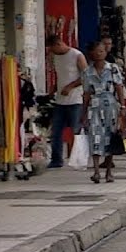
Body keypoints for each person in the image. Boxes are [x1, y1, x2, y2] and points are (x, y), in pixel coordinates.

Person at [80, 41, 126, 184]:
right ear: (91, 54)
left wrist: (122, 106)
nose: (100, 54)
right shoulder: (87, 72)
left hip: (110, 106)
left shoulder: (112, 69)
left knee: (109, 137)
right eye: (97, 51)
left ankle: (108, 171)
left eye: (102, 51)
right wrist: (83, 113)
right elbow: (86, 93)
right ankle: (95, 171)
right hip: (94, 106)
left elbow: (119, 87)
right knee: (95, 136)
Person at [46, 34, 88, 169]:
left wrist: (70, 87)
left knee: (77, 130)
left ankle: (80, 158)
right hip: (60, 101)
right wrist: (54, 89)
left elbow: (86, 76)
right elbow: (61, 75)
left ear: (58, 44)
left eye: (52, 49)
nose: (52, 52)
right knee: (56, 131)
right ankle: (56, 160)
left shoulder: (77, 55)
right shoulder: (56, 57)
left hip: (76, 100)